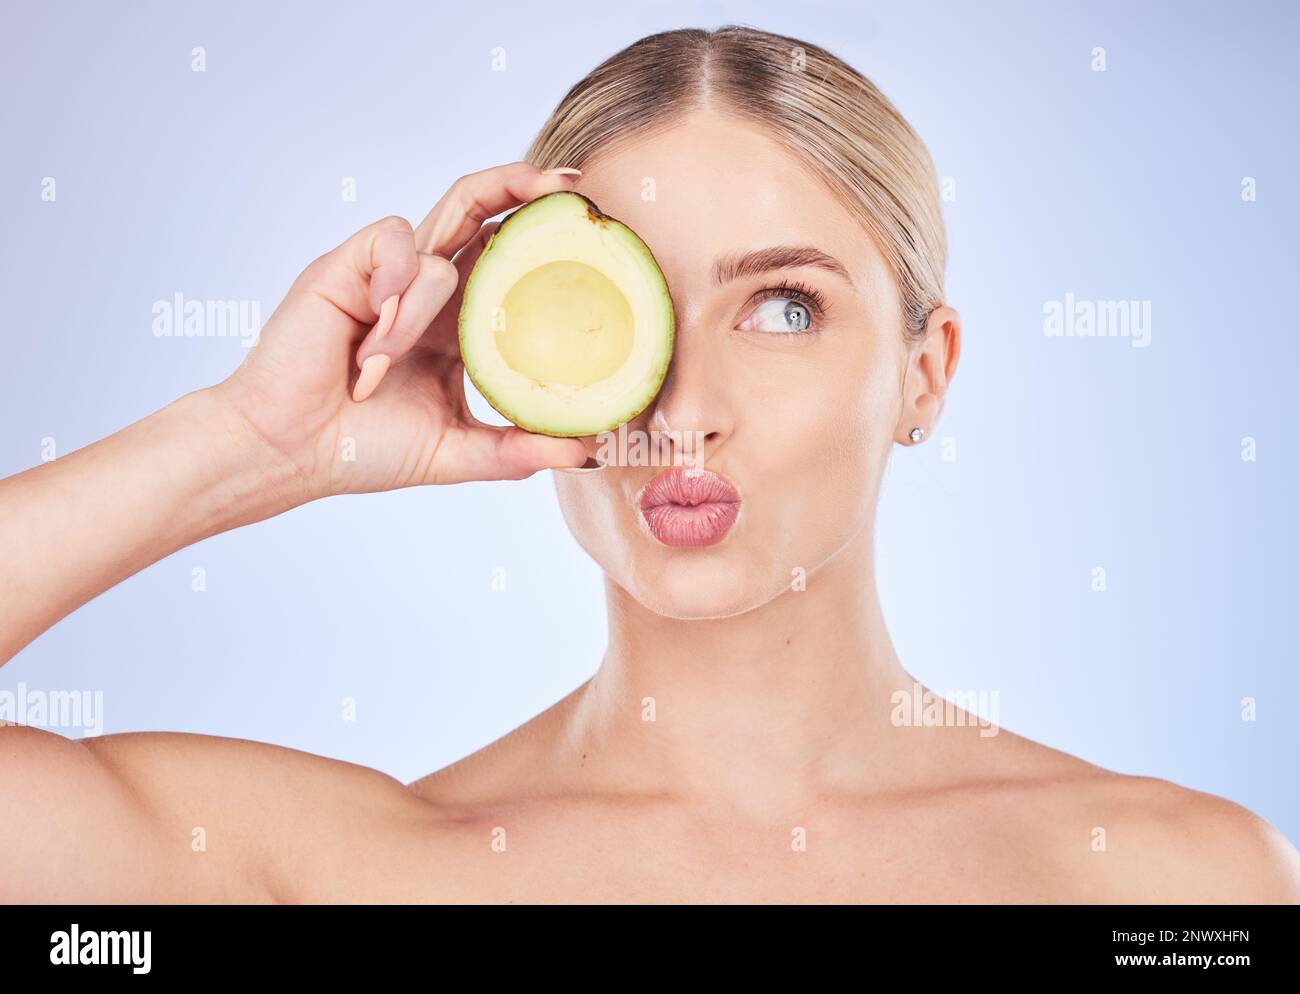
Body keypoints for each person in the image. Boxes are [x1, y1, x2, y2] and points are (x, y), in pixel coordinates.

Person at [2, 26, 1296, 903]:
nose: (682, 407)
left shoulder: (1169, 880)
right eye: (622, 315)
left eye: (784, 305)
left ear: (926, 371)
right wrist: (258, 444)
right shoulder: (364, 870)